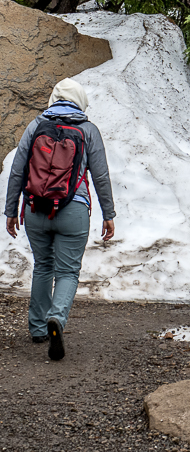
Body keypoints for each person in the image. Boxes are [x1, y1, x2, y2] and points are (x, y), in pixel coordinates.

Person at [5, 78, 116, 360]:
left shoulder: (36, 125)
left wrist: (10, 210)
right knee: (67, 271)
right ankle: (56, 318)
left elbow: (18, 170)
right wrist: (108, 214)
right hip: (73, 210)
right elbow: (100, 176)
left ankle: (38, 328)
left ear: (54, 99)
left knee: (43, 266)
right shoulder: (87, 130)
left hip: (35, 209)